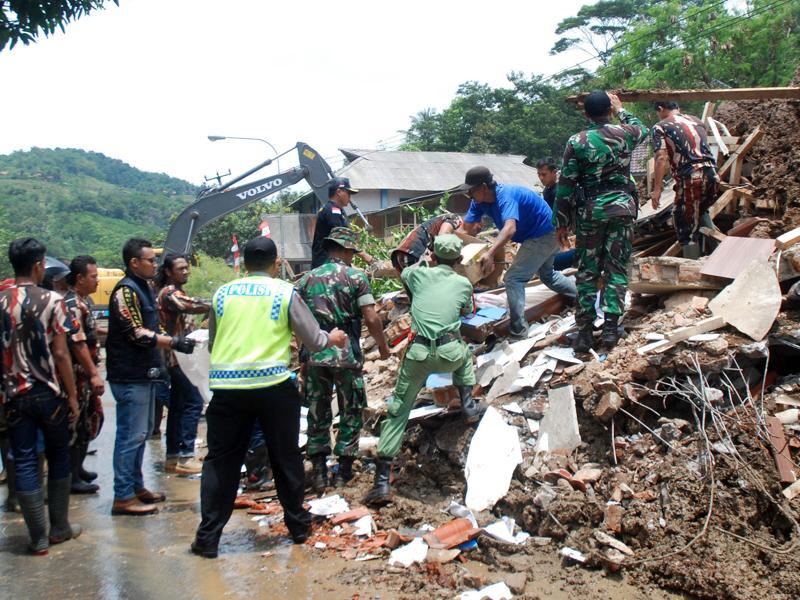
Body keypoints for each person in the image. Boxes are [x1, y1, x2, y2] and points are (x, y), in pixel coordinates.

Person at [191, 236, 347, 558]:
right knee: (285, 457)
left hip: (227, 390)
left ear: (245, 265)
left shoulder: (222, 294)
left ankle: (208, 539)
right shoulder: (283, 291)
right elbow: (315, 340)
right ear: (276, 263)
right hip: (273, 387)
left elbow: (213, 342)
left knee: (221, 463)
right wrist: (333, 337)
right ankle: (299, 528)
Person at [363, 235, 480, 507]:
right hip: (450, 352)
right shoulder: (463, 283)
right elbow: (469, 312)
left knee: (399, 409)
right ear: (459, 260)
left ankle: (381, 482)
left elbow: (407, 269)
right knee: (464, 355)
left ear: (433, 256)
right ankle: (468, 404)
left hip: (417, 354)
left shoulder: (417, 275)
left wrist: (425, 260)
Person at [0, 238, 81, 554]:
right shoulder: (52, 300)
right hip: (49, 394)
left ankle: (38, 539)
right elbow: (62, 355)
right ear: (38, 265)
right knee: (59, 455)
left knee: (24, 460)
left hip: (15, 395)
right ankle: (60, 527)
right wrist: (72, 396)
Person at [297, 227, 391, 494]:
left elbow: (298, 322)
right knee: (351, 411)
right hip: (346, 356)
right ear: (348, 250)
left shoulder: (306, 280)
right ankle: (344, 471)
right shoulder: (356, 276)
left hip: (315, 355)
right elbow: (371, 317)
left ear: (329, 248)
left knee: (318, 411)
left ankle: (319, 473)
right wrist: (383, 348)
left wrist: (303, 353)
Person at [106, 238, 196, 516]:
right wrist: (171, 342)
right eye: (150, 260)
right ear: (134, 263)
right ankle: (122, 496)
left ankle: (136, 487)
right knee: (129, 436)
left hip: (145, 372)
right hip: (129, 374)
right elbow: (135, 332)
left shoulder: (144, 288)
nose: (154, 265)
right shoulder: (126, 292)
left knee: (140, 435)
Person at [553, 91, 648, 352]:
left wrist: (561, 222)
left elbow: (565, 186)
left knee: (587, 271)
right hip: (623, 209)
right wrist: (622, 110)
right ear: (610, 109)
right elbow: (644, 129)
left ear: (586, 114)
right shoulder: (626, 133)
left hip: (591, 212)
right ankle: (610, 329)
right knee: (616, 268)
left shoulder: (577, 141)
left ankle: (584, 332)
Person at [457, 166, 577, 339]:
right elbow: (465, 230)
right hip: (538, 235)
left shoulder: (505, 195)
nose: (469, 195)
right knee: (547, 275)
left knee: (513, 279)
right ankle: (582, 298)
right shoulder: (479, 202)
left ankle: (518, 331)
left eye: (471, 191)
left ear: (484, 187)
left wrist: (490, 253)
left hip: (545, 233)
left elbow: (510, 228)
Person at [156, 253, 210, 475]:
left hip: (179, 359)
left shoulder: (174, 292)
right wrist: (216, 302)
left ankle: (172, 458)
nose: (186, 272)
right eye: (181, 268)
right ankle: (186, 455)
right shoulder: (170, 293)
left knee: (178, 408)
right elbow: (190, 306)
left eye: (187, 268)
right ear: (169, 271)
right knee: (192, 403)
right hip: (179, 359)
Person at [651, 100, 720, 259]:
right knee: (701, 214)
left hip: (692, 178)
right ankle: (724, 261)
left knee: (686, 227)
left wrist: (657, 189)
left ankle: (692, 270)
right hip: (712, 175)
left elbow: (661, 157)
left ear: (661, 109)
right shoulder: (696, 121)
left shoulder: (660, 126)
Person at [63, 255, 105, 494]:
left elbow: (88, 330)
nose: (97, 281)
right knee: (77, 423)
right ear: (79, 278)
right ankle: (71, 476)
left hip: (84, 373)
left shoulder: (83, 301)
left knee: (89, 420)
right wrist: (93, 374)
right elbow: (78, 343)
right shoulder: (72, 304)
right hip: (77, 373)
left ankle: (77, 468)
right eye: (93, 276)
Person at [311, 177, 374, 268]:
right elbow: (343, 238)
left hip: (332, 263)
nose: (350, 197)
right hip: (326, 266)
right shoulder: (332, 211)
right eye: (348, 193)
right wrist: (364, 255)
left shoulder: (335, 210)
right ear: (339, 192)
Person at [536, 157, 576, 271]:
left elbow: (563, 217)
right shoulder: (547, 190)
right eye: (539, 174)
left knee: (553, 263)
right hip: (552, 232)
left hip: (562, 232)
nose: (541, 178)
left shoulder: (559, 191)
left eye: (544, 174)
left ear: (554, 172)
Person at [390, 213, 463, 273]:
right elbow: (443, 236)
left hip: (402, 254)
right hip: (413, 252)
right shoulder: (456, 218)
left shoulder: (439, 221)